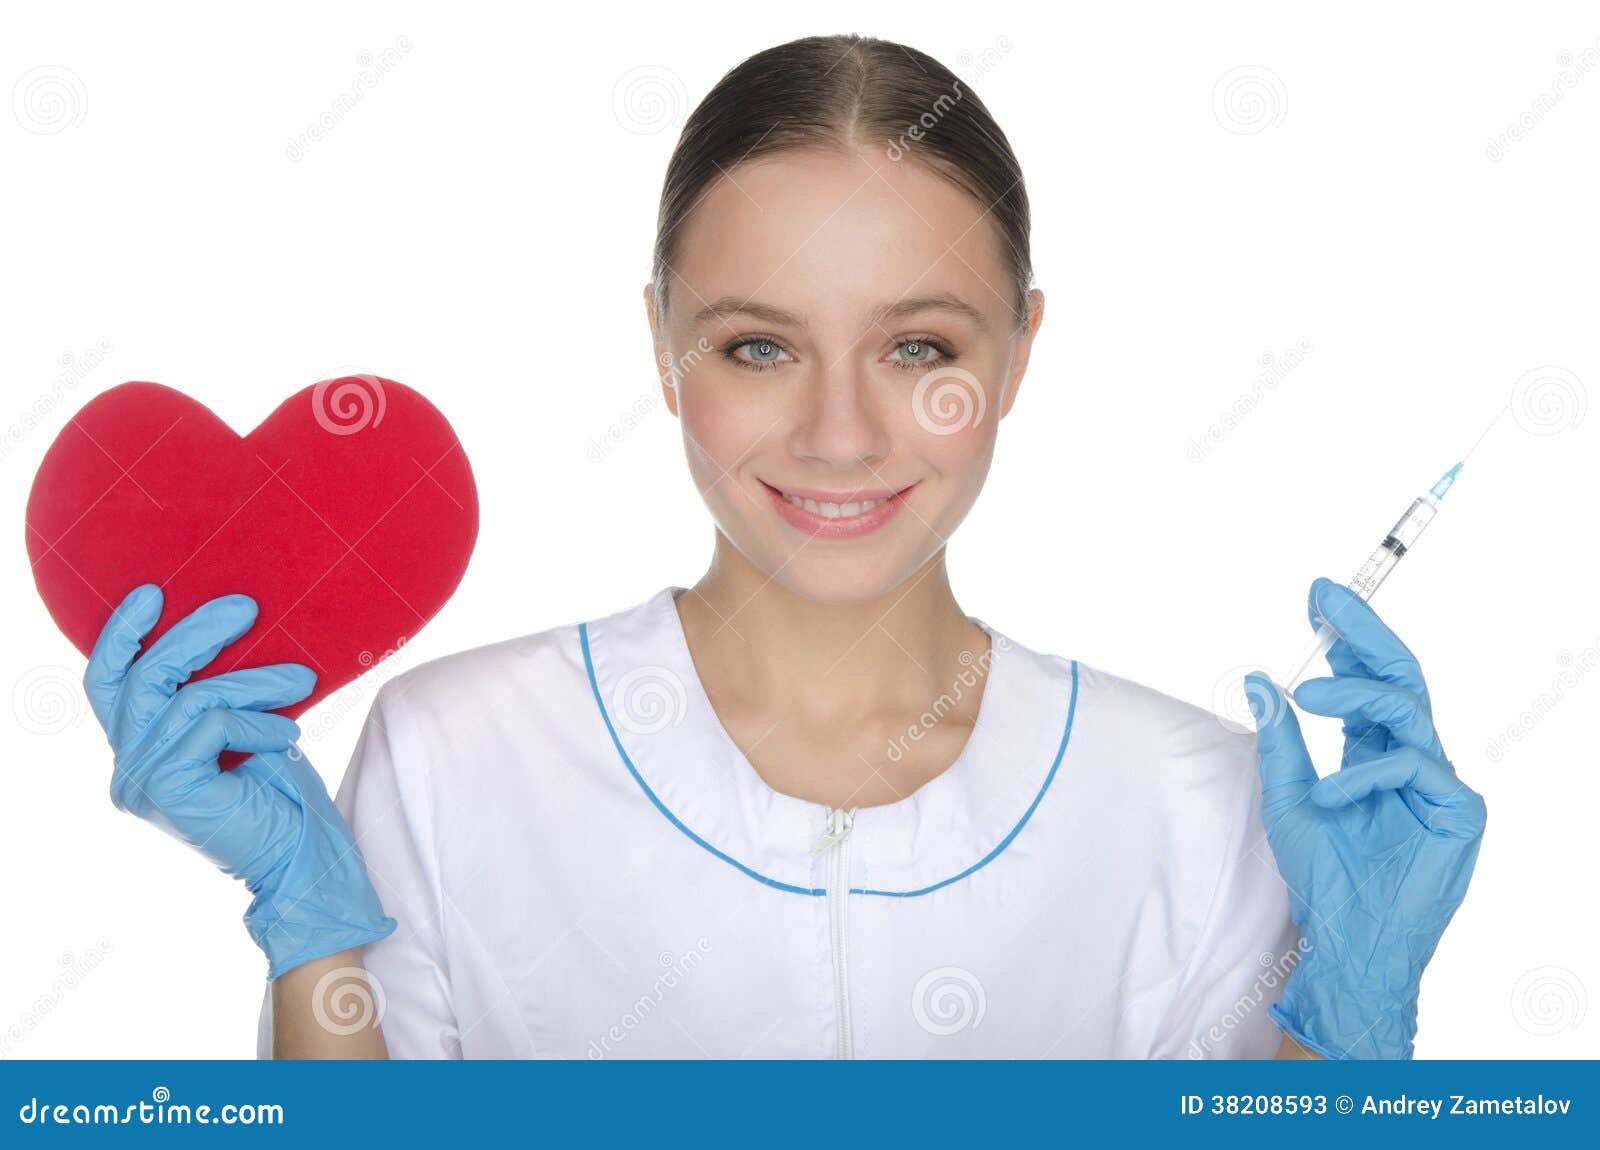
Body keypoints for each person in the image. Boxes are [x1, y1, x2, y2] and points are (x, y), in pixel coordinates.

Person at [83, 33, 1485, 1060]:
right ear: (661, 345)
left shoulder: (1199, 802)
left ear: (1017, 355)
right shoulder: (455, 757)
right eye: (759, 344)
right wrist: (312, 926)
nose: (837, 432)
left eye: (918, 347)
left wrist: (1354, 1032)